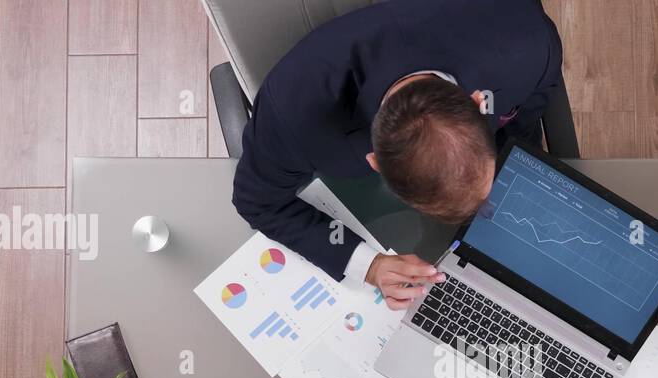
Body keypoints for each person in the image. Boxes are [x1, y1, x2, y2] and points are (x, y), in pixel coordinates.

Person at [232, 0, 563, 311]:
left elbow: (524, 118)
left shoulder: (529, 42)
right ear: (374, 161)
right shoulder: (294, 113)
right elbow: (256, 201)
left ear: (479, 103)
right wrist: (369, 265)